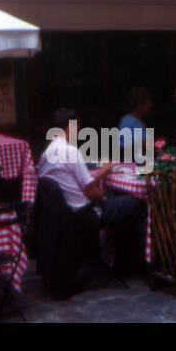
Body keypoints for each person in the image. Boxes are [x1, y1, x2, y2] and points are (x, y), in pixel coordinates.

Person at [38, 108, 147, 278]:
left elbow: (79, 183)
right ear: (70, 126)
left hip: (63, 213)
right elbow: (90, 191)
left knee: (116, 201)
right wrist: (103, 199)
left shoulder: (46, 154)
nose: (80, 130)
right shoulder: (70, 152)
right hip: (83, 214)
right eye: (78, 125)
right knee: (136, 203)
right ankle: (135, 263)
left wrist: (102, 174)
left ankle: (116, 259)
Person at [117, 87, 153, 154]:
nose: (151, 105)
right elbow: (148, 146)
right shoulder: (135, 123)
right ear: (139, 105)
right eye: (148, 102)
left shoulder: (125, 119)